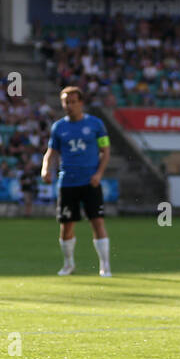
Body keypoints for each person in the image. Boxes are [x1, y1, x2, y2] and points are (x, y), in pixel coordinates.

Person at [41, 87, 111, 276]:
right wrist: (46, 168)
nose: (69, 105)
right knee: (66, 225)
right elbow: (51, 152)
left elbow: (106, 151)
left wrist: (99, 173)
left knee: (97, 221)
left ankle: (105, 266)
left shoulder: (96, 124)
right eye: (66, 102)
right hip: (67, 182)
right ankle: (68, 264)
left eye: (73, 101)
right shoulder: (59, 127)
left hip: (90, 181)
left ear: (81, 103)